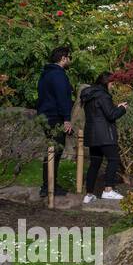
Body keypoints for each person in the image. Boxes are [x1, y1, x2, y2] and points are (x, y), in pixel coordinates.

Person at [79, 72, 127, 203]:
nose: (113, 86)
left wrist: (115, 107)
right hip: (105, 135)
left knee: (95, 164)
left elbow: (101, 112)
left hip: (93, 135)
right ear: (106, 82)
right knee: (113, 159)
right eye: (112, 83)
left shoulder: (90, 95)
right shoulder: (103, 95)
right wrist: (122, 109)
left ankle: (88, 194)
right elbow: (111, 115)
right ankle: (108, 190)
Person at [35, 45, 74, 197]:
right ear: (63, 58)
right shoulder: (58, 75)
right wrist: (66, 119)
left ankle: (49, 184)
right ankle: (47, 187)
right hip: (54, 117)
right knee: (54, 151)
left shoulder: (46, 74)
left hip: (45, 116)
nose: (69, 60)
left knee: (52, 150)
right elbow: (62, 98)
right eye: (69, 57)